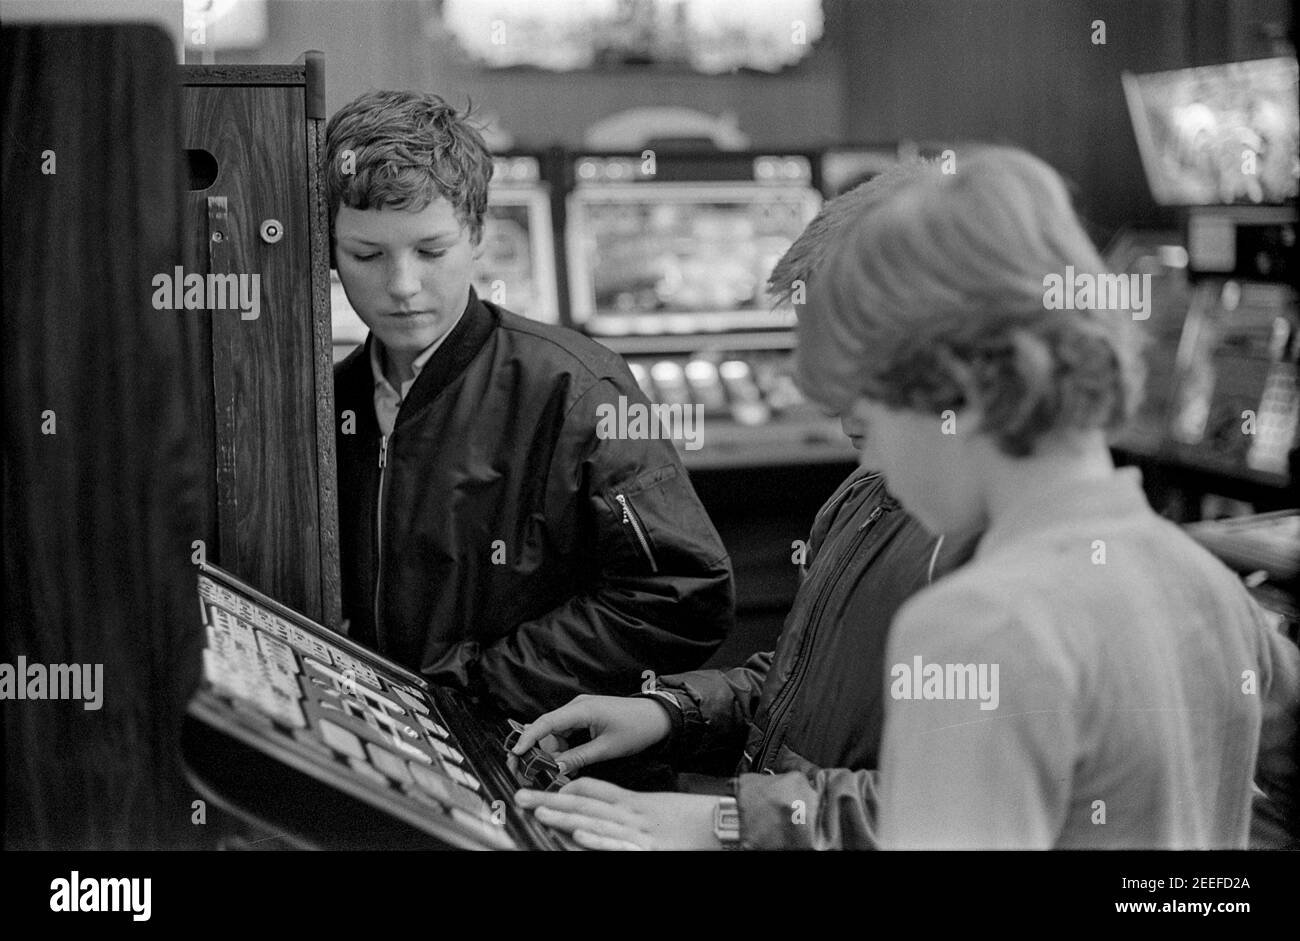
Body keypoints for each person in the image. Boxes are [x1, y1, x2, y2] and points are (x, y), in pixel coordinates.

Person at [515, 146, 1300, 849]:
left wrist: (726, 827)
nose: (856, 432)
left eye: (867, 399)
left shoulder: (983, 618)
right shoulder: (1209, 587)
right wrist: (675, 714)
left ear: (950, 380)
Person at [512, 162, 979, 850]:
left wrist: (725, 819)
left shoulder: (999, 547)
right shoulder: (866, 492)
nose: (825, 395)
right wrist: (669, 712)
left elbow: (963, 819)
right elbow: (801, 687)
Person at [328, 90, 734, 718]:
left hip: (555, 761)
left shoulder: (578, 388)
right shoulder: (329, 399)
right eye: (366, 255)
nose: (401, 286)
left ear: (478, 235)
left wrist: (480, 683)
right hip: (393, 743)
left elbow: (681, 595)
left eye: (430, 251)